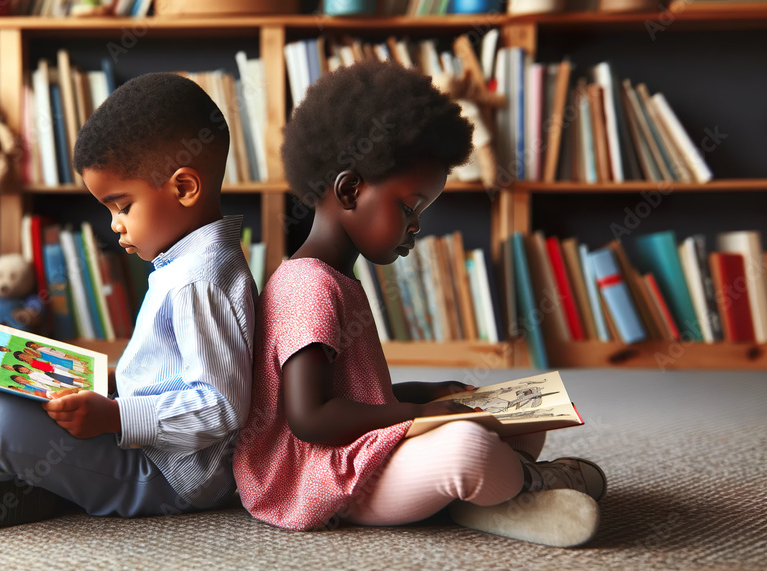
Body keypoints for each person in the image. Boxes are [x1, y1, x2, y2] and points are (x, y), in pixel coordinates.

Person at [232, 60, 606, 548]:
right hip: (324, 480)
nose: (416, 227)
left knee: (519, 424)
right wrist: (426, 416)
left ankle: (491, 501)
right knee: (469, 446)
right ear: (350, 190)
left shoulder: (334, 278)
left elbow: (355, 392)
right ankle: (528, 487)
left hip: (355, 455)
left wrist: (431, 393)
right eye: (409, 208)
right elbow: (311, 419)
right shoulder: (309, 285)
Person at [0, 72, 257, 537]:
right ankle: (41, 483)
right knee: (1, 395)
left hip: (170, 476)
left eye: (122, 206)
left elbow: (223, 408)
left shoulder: (197, 281)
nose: (115, 226)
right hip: (147, 441)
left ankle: (24, 492)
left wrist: (113, 416)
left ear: (184, 188)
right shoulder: (189, 263)